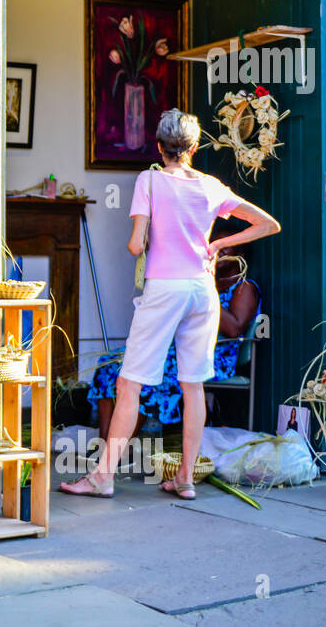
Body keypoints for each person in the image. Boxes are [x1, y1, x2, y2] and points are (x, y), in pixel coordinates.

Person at [60, 109, 280, 500]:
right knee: (192, 385)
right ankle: (185, 479)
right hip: (201, 290)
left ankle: (102, 477)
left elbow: (134, 243)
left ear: (159, 147)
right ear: (194, 148)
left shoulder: (149, 179)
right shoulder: (212, 186)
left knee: (129, 383)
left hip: (164, 289)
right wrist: (218, 244)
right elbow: (268, 225)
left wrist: (146, 243)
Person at [87, 221, 262, 434]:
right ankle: (107, 443)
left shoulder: (244, 288)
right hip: (178, 349)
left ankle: (123, 443)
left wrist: (206, 288)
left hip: (212, 357)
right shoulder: (204, 283)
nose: (220, 251)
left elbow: (234, 329)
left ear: (241, 252)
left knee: (152, 372)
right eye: (216, 245)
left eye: (227, 247)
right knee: (109, 363)